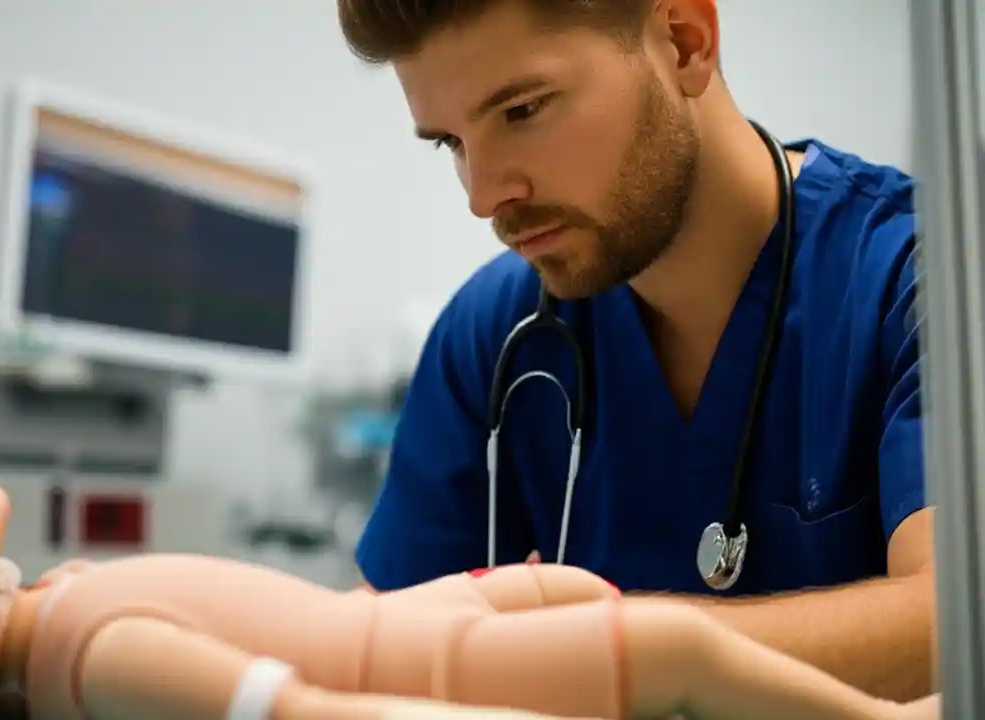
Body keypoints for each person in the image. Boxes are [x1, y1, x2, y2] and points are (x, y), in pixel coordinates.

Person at [336, 0, 934, 702]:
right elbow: (375, 658)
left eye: (522, 111)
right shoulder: (496, 336)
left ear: (683, 43)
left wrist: (614, 652)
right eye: (451, 144)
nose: (485, 194)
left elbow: (956, 624)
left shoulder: (923, 279)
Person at [0, 458, 940, 720]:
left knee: (599, 601)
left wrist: (481, 589)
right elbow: (317, 716)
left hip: (428, 620)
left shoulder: (58, 611)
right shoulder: (92, 653)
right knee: (676, 652)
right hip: (436, 672)